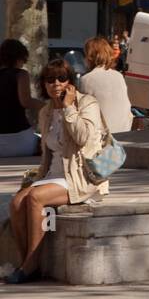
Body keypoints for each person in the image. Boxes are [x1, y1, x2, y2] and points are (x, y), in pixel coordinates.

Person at [5, 57, 109, 284]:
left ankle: (31, 263)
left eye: (62, 78)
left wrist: (69, 107)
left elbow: (82, 138)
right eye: (50, 79)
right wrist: (37, 178)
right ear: (43, 84)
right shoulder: (46, 111)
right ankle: (27, 263)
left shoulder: (87, 104)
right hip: (54, 175)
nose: (56, 84)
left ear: (71, 82)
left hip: (81, 176)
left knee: (35, 198)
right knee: (15, 203)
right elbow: (48, 153)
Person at [79, 36, 133, 134]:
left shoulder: (87, 79)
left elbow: (83, 112)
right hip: (124, 131)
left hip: (102, 138)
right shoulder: (119, 76)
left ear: (89, 56)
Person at [0, 40, 43, 158]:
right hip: (20, 138)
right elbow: (26, 101)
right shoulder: (20, 74)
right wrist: (48, 106)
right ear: (18, 58)